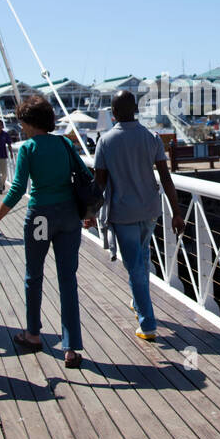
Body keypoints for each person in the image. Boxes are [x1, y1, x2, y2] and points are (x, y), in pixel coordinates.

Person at [0, 93, 88, 368]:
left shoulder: (28, 148)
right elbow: (85, 177)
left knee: (34, 275)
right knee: (67, 280)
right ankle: (72, 348)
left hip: (40, 218)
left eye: (22, 122)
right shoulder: (65, 143)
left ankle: (33, 333)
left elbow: (16, 190)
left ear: (28, 121)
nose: (21, 127)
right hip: (69, 218)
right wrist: (90, 213)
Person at [91, 89, 183, 342]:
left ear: (114, 113)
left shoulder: (105, 141)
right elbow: (165, 177)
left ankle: (148, 323)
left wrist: (88, 212)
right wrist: (176, 212)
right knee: (141, 259)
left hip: (123, 213)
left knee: (135, 268)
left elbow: (99, 183)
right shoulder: (151, 137)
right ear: (136, 110)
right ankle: (137, 300)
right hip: (150, 211)